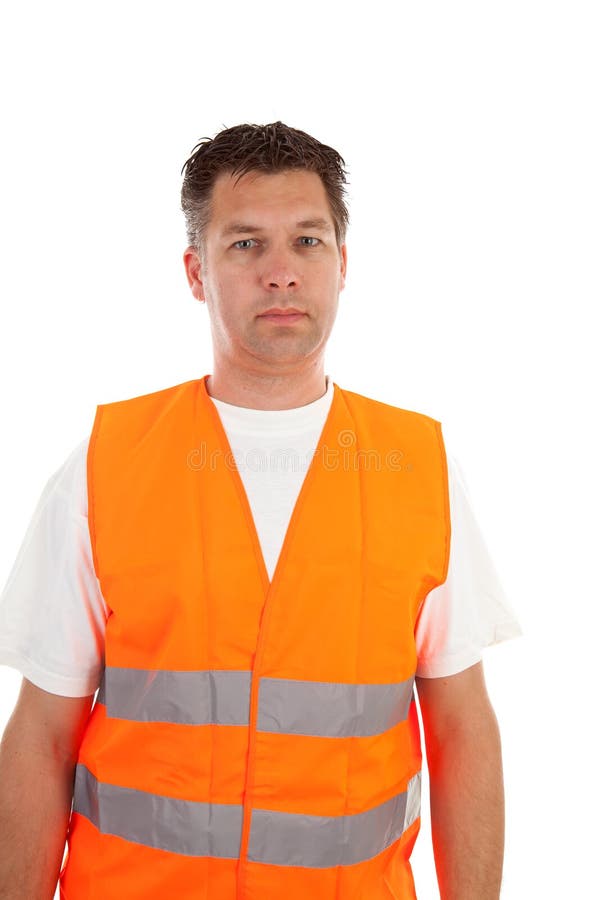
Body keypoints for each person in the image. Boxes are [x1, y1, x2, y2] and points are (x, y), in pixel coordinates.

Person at [0, 121, 521, 900]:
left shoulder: (419, 468)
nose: (281, 272)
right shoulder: (106, 466)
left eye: (307, 242)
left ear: (343, 265)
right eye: (245, 244)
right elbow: (40, 734)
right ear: (196, 271)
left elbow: (462, 727)